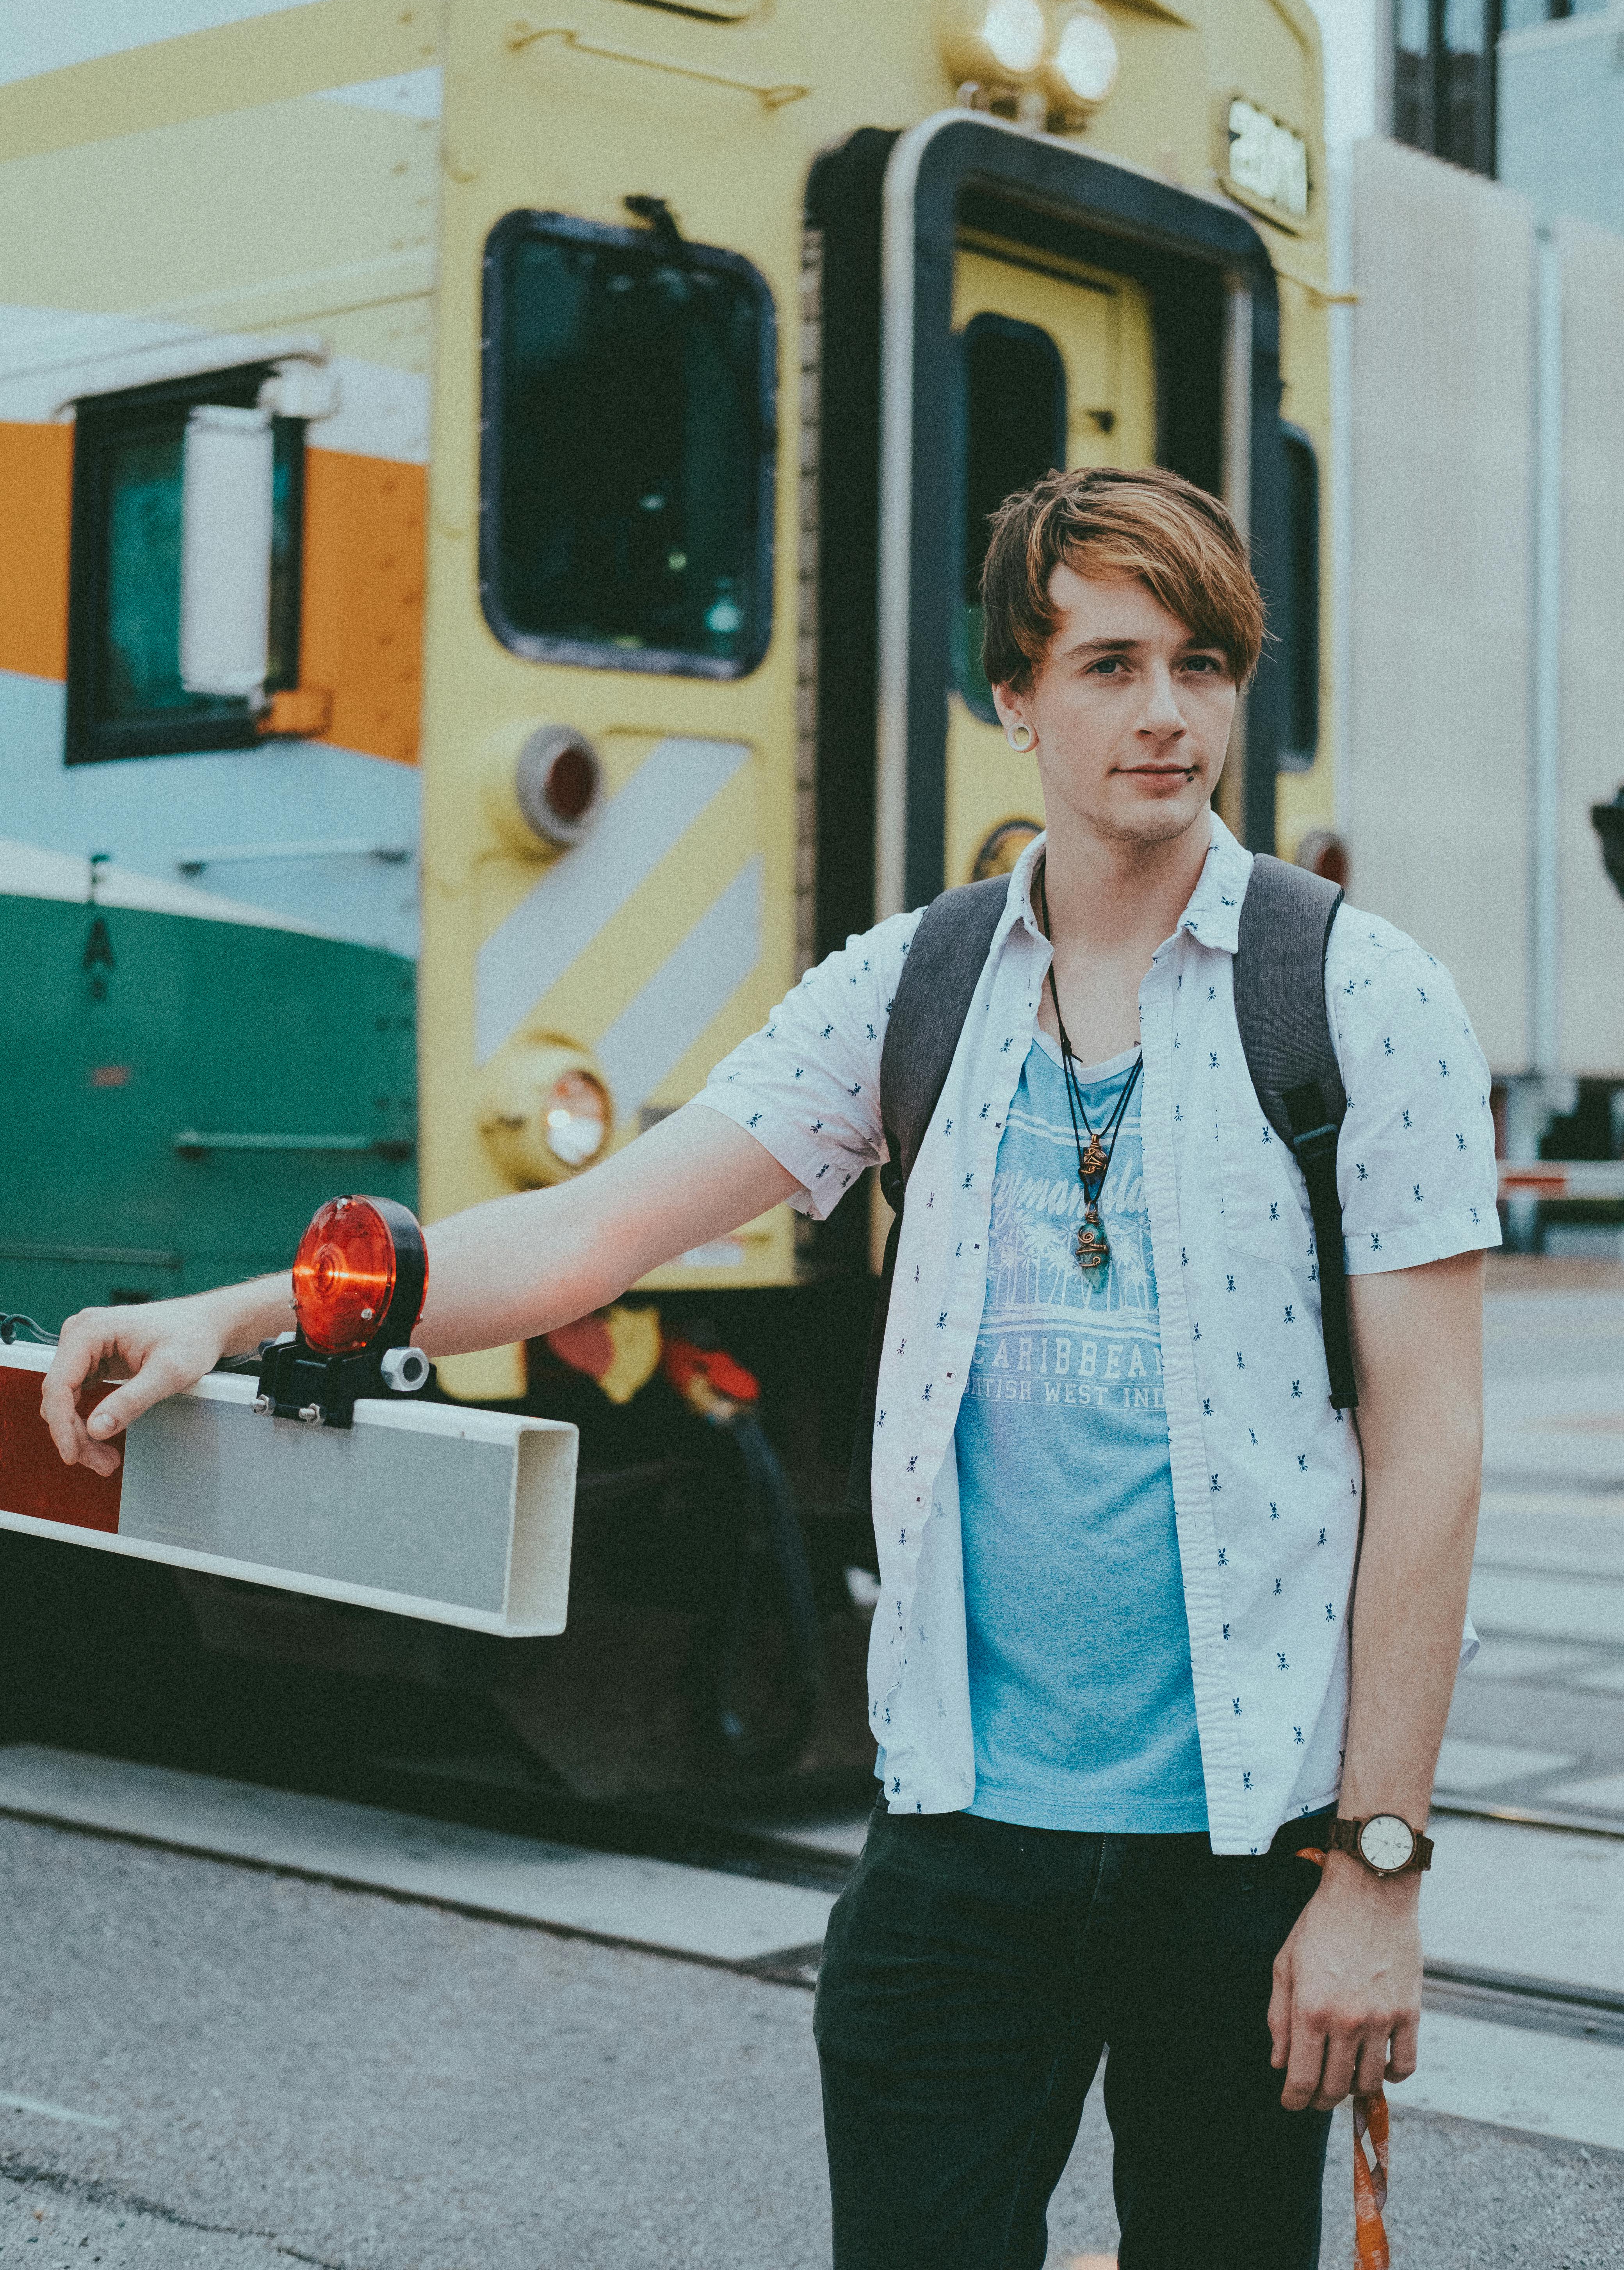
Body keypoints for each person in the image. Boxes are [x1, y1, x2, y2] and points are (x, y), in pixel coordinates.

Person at [43, 465, 1498, 2270]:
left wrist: (1374, 1868)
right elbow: (585, 1234)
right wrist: (239, 1313)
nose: (1165, 716)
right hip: (959, 1849)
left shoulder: (1356, 998)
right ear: (1010, 698)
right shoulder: (913, 990)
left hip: (1244, 1853)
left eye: (1202, 666)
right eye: (1109, 664)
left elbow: (1428, 1449)